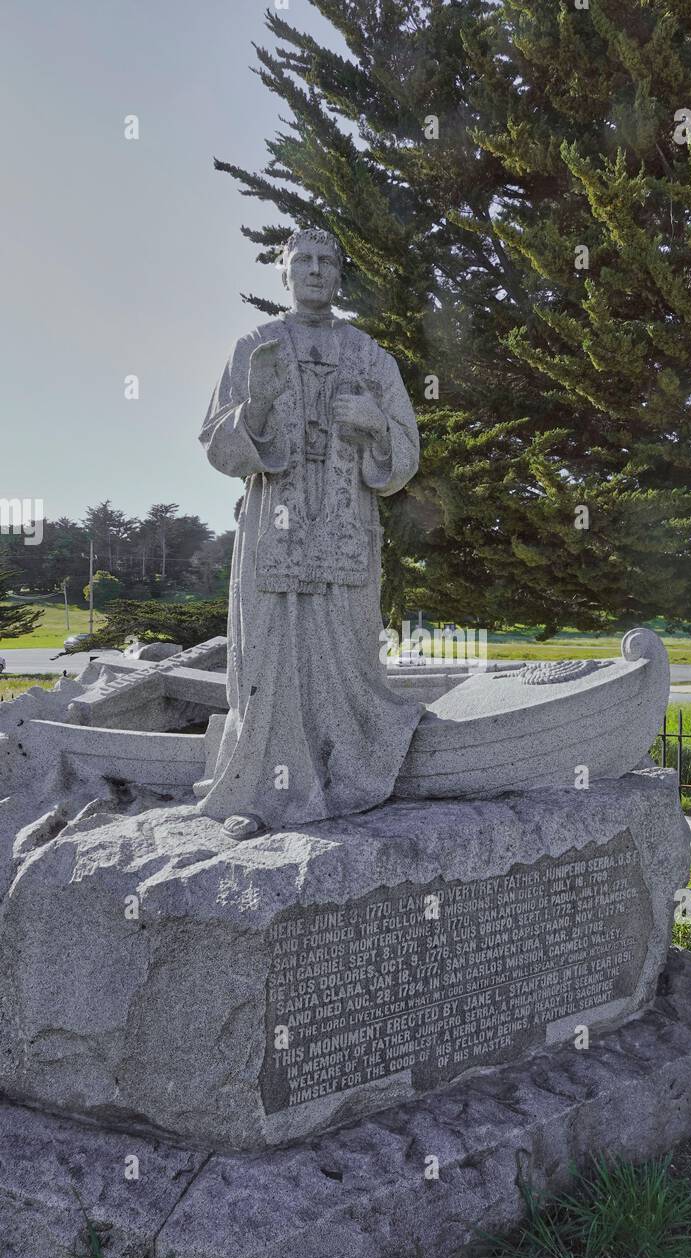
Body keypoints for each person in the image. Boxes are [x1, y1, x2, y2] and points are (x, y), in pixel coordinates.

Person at [194, 229, 423, 839]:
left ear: (341, 275)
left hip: (347, 533)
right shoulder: (256, 346)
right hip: (274, 535)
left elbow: (405, 453)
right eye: (303, 261)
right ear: (285, 274)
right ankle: (261, 787)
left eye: (328, 261)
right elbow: (217, 444)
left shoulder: (371, 356)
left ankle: (353, 774)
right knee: (269, 659)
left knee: (348, 656)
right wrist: (258, 410)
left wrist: (376, 424)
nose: (316, 271)